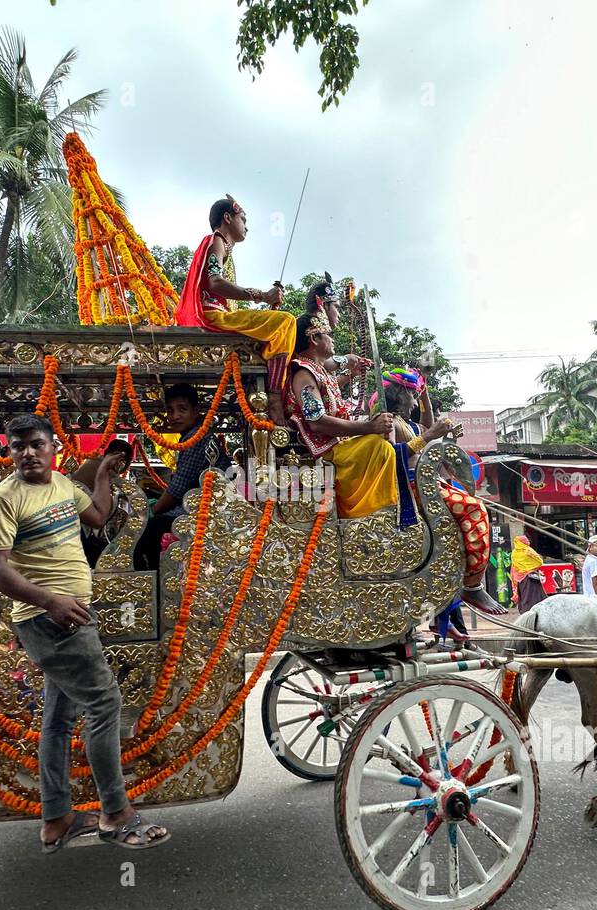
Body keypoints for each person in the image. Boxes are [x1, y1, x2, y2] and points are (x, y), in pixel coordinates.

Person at [0, 413, 170, 852]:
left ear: (52, 448)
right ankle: (116, 812)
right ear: (9, 451)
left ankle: (57, 818)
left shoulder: (63, 486)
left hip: (72, 613)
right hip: (50, 619)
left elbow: (99, 516)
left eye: (36, 444)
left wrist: (102, 474)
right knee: (105, 703)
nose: (27, 453)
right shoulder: (2, 501)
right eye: (18, 446)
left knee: (60, 720)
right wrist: (51, 601)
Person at [381, 367, 505, 621]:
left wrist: (424, 390)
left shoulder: (407, 423)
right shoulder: (388, 422)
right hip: (413, 489)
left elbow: (426, 424)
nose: (415, 402)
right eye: (412, 395)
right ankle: (472, 586)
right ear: (401, 393)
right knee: (475, 510)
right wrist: (429, 435)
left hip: (430, 485)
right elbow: (390, 457)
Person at [174, 195, 296, 424]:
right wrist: (261, 295)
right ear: (228, 218)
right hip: (212, 317)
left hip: (221, 316)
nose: (247, 227)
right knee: (286, 322)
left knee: (279, 328)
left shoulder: (223, 248)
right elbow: (215, 282)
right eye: (244, 219)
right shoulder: (217, 241)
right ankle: (274, 395)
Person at [285, 307, 402, 521]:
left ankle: (381, 510)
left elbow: (325, 391)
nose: (332, 339)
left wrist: (349, 376)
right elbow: (317, 421)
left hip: (339, 445)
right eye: (328, 335)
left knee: (381, 443)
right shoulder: (303, 373)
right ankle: (368, 516)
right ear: (314, 338)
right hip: (328, 451)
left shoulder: (318, 370)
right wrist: (369, 427)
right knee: (380, 447)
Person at [134, 383, 232, 571]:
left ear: (196, 411)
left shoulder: (196, 438)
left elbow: (177, 489)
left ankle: (156, 588)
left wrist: (151, 512)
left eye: (182, 409)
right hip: (201, 509)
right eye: (170, 411)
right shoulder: (195, 436)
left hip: (206, 514)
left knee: (148, 532)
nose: (175, 416)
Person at [72, 439, 134, 568]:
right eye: (123, 460)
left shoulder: (96, 462)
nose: (123, 465)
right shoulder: (104, 468)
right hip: (83, 523)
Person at [510, 534, 548, 611]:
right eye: (526, 540)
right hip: (530, 577)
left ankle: (524, 610)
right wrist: (531, 568)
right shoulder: (528, 550)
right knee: (534, 594)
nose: (528, 541)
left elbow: (514, 566)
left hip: (519, 578)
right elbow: (540, 562)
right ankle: (536, 609)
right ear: (522, 542)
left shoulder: (514, 553)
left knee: (524, 594)